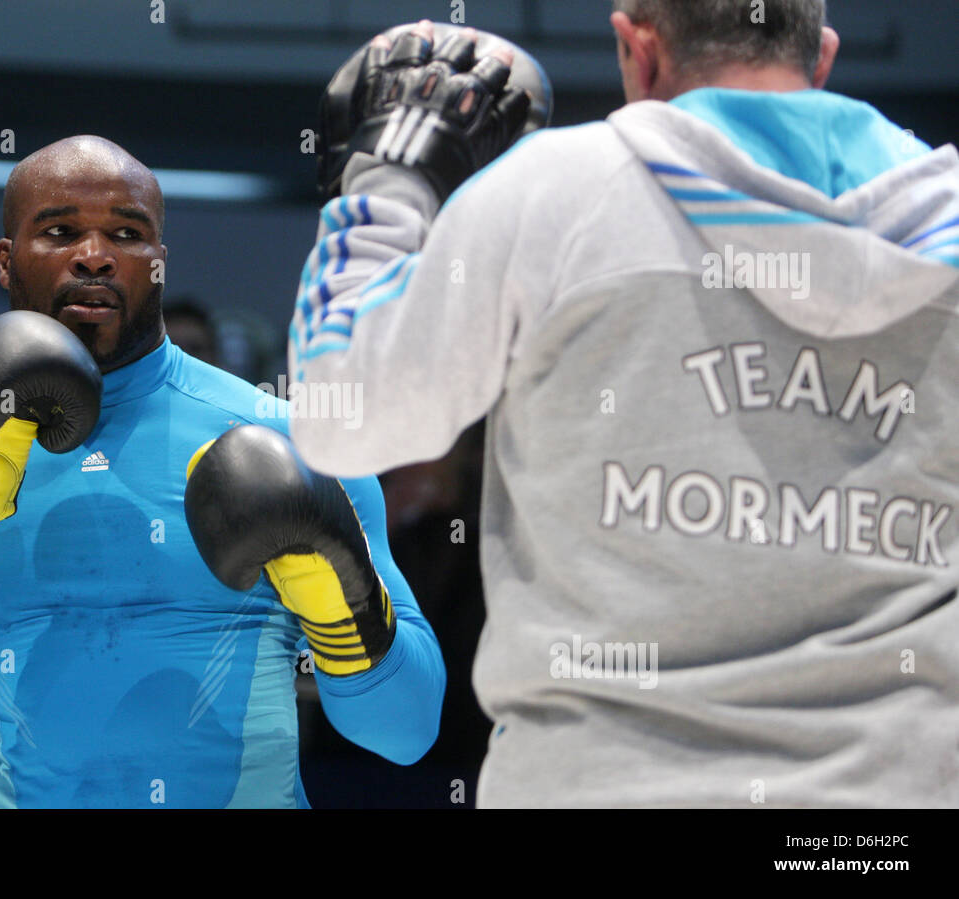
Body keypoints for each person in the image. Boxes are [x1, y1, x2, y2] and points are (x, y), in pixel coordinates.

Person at [288, 5, 959, 807]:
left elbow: (342, 410)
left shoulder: (556, 191)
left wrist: (388, 181)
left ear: (636, 48)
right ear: (822, 57)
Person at [0, 135, 445, 809]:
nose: (95, 254)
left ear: (160, 261)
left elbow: (404, 731)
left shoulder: (289, 442)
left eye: (127, 232)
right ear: (6, 259)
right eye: (60, 230)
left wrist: (336, 588)